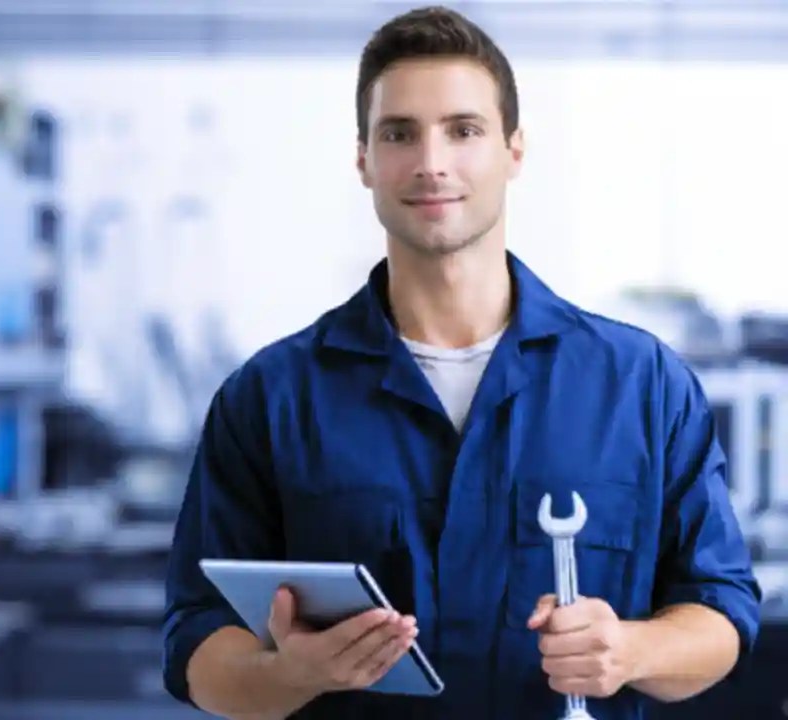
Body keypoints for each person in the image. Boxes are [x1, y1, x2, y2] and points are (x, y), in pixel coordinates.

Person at [161, 5, 762, 719]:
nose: (431, 162)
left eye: (464, 130)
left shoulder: (643, 385)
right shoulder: (268, 397)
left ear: (514, 150)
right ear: (364, 160)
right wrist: (294, 674)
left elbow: (721, 614)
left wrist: (630, 651)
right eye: (399, 134)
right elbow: (198, 646)